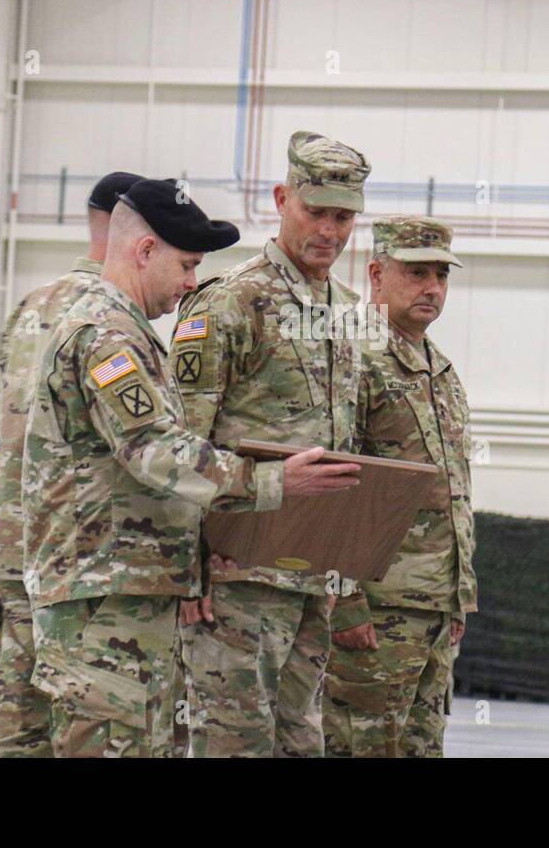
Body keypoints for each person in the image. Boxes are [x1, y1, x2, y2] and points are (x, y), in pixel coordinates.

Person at [23, 177, 360, 758]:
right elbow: (154, 449)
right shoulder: (105, 335)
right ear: (145, 250)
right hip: (101, 595)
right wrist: (275, 481)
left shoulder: (130, 333)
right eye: (185, 265)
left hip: (130, 589)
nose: (189, 284)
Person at [174, 130, 370, 758]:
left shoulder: (346, 307)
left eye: (344, 217)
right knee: (232, 743)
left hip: (313, 570)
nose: (330, 231)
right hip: (237, 571)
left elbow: (347, 440)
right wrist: (188, 567)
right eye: (316, 212)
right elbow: (181, 445)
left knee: (300, 742)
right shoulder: (230, 302)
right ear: (283, 198)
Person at [0, 171, 143, 758]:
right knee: (86, 721)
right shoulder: (112, 316)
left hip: (16, 538)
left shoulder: (31, 307)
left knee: (17, 714)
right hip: (79, 553)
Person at [323, 217, 475, 758]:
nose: (432, 287)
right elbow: (332, 484)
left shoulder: (438, 367)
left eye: (440, 274)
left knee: (420, 746)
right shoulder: (352, 357)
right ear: (376, 274)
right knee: (359, 744)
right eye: (416, 272)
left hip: (431, 603)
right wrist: (343, 599)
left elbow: (451, 491)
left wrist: (457, 598)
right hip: (376, 604)